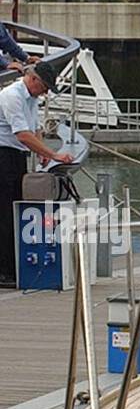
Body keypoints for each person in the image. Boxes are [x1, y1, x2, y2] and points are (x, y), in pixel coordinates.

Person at [0, 61, 73, 287]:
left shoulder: (31, 99)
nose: (46, 92)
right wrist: (53, 154)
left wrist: (41, 149)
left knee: (14, 207)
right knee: (4, 211)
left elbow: (35, 129)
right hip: (3, 153)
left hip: (16, 155)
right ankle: (4, 270)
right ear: (33, 80)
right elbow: (22, 134)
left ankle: (13, 265)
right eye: (45, 87)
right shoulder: (12, 95)